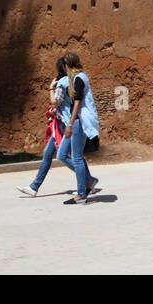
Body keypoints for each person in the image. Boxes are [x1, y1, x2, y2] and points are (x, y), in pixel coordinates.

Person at [17, 58, 71, 197]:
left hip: (63, 125)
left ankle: (88, 180)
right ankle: (34, 187)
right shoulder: (71, 81)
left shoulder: (62, 83)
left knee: (68, 156)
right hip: (60, 123)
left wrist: (51, 88)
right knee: (48, 154)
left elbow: (55, 101)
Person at [59, 51, 100, 204]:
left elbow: (77, 103)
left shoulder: (79, 79)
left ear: (67, 65)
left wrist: (70, 124)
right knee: (62, 154)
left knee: (76, 157)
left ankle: (82, 193)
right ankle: (88, 180)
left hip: (77, 121)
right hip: (74, 121)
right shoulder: (76, 78)